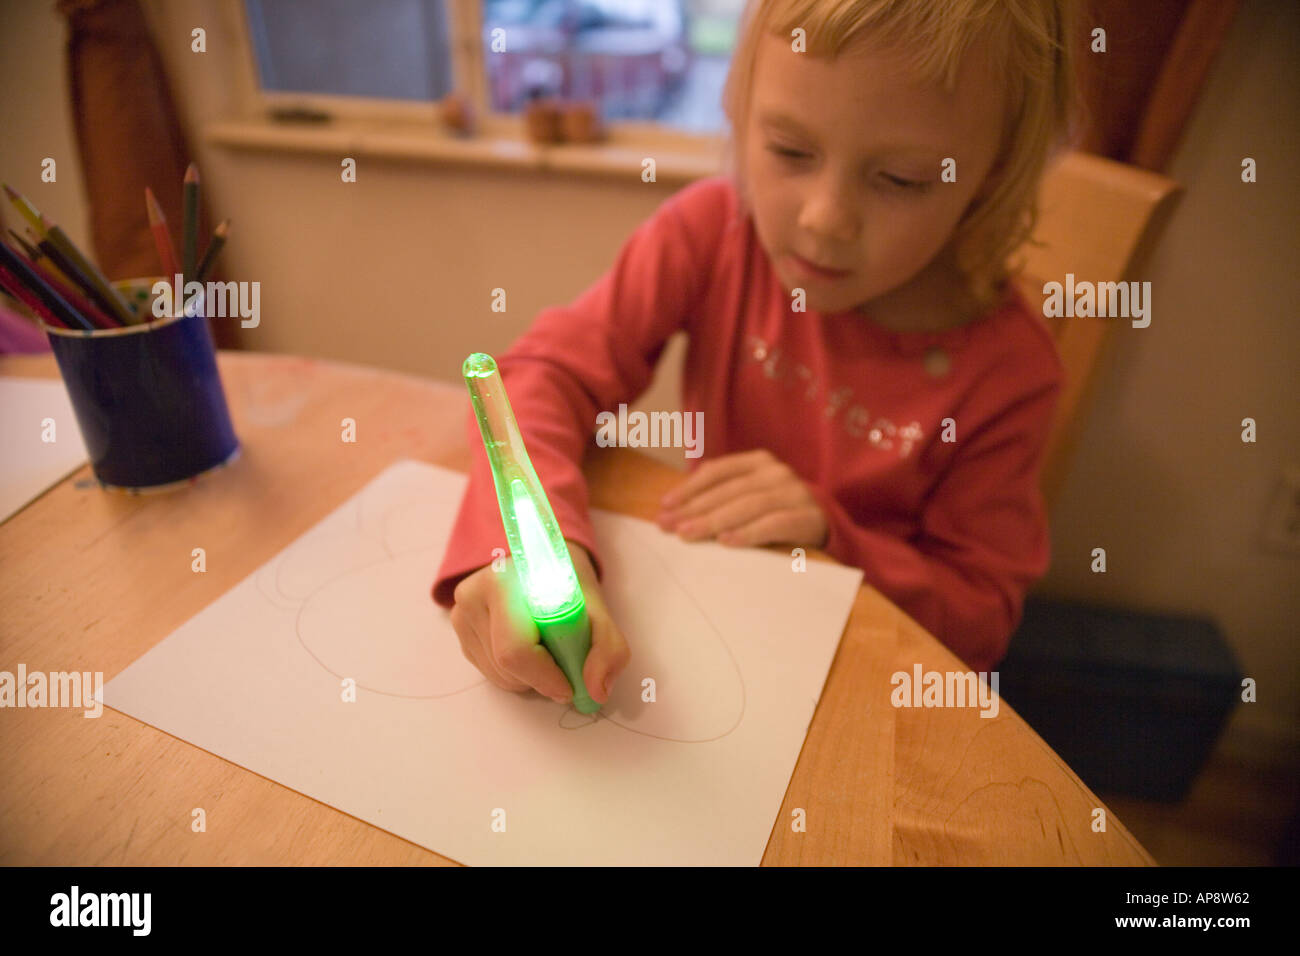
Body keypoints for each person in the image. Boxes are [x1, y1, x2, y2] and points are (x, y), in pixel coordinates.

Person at [433, 0, 1082, 707]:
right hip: (707, 638)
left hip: (860, 684)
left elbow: (978, 621)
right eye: (791, 151)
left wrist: (836, 538)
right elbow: (540, 377)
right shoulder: (712, 234)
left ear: (992, 175)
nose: (825, 218)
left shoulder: (1010, 369)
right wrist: (539, 548)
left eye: (902, 179)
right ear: (738, 116)